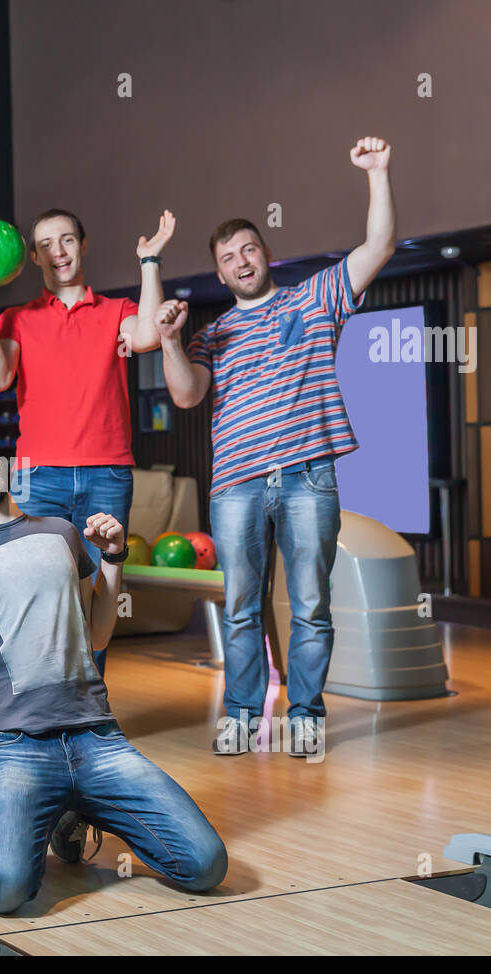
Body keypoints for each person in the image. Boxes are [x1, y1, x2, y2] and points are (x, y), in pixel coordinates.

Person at [0, 422, 228, 914]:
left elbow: (97, 633)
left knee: (205, 865)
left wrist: (112, 558)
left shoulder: (60, 531)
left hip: (96, 738)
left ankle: (75, 805)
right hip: (13, 747)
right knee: (6, 892)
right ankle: (33, 817)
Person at [159, 137, 397, 758]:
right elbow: (186, 396)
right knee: (241, 606)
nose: (240, 261)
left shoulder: (314, 300)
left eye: (248, 249)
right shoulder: (212, 334)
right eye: (227, 257)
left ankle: (306, 714)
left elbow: (378, 247)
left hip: (306, 476)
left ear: (267, 254)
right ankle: (241, 713)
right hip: (236, 483)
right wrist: (168, 342)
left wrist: (377, 173)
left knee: (312, 605)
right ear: (219, 272)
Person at [0, 207, 175, 675]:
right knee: (40, 594)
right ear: (33, 257)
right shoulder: (17, 319)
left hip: (107, 473)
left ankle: (90, 707)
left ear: (83, 244)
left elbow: (149, 337)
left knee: (100, 591)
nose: (58, 252)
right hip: (38, 476)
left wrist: (150, 263)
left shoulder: (117, 310)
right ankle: (47, 704)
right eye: (46, 245)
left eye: (67, 240)